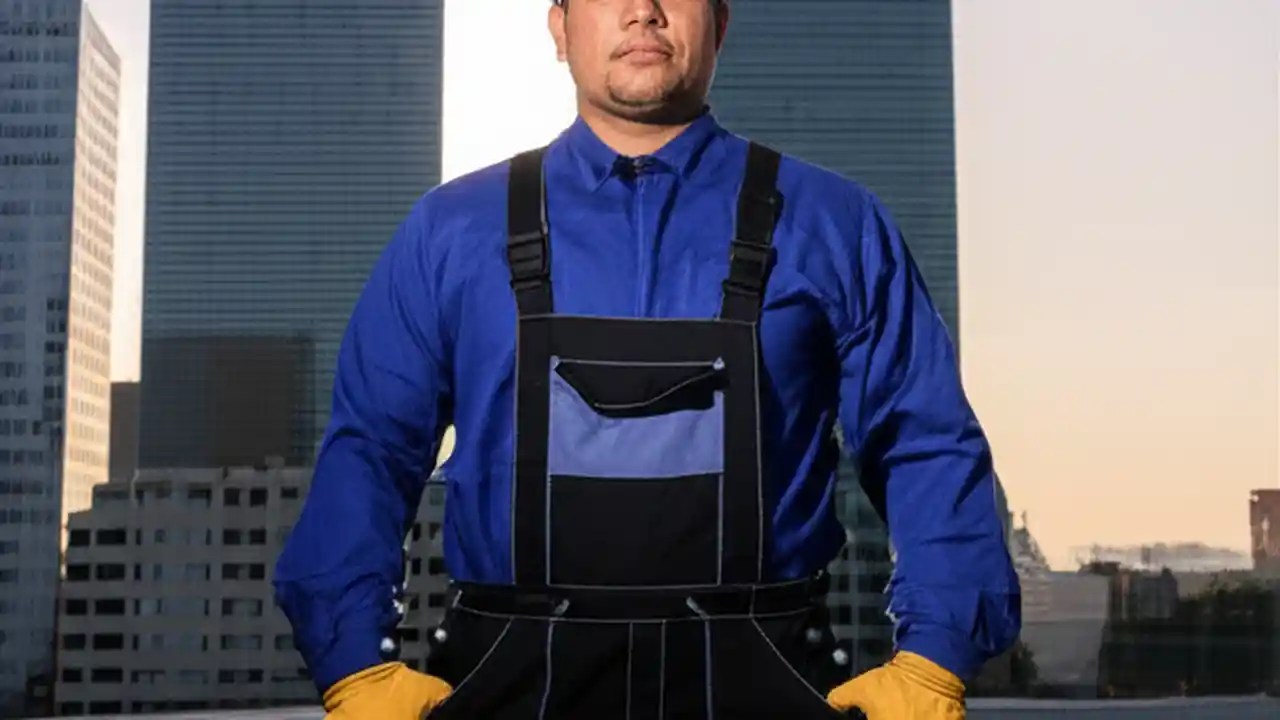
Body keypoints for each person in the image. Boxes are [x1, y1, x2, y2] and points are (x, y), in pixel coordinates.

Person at [273, 1, 1021, 718]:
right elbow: (370, 452)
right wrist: (352, 665)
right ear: (559, 29)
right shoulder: (449, 231)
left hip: (770, 677)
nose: (643, 10)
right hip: (505, 681)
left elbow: (924, 442)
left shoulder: (836, 224)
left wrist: (934, 659)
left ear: (721, 24)